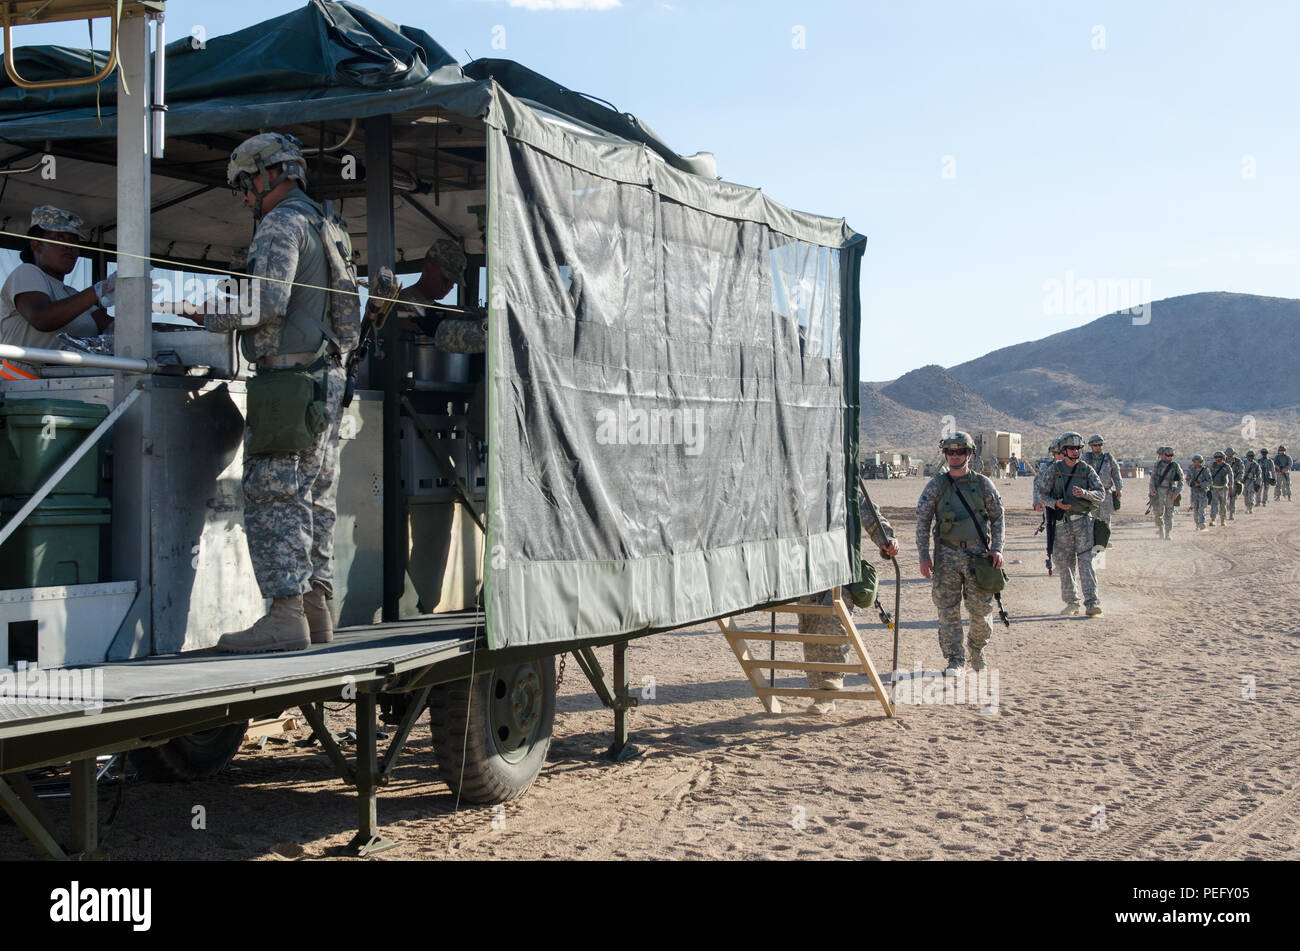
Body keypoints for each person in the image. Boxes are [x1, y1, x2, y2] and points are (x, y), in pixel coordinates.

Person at [194, 132, 349, 653]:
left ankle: (285, 616)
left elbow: (265, 304)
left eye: (244, 185)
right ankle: (315, 610)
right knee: (313, 496)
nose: (243, 198)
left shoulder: (280, 224)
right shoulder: (325, 225)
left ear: (269, 175)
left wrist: (199, 312)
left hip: (289, 384)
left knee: (273, 496)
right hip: (325, 380)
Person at [800, 488, 899, 715]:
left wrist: (887, 539)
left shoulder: (845, 484)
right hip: (806, 568)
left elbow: (870, 515)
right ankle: (820, 694)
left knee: (835, 614)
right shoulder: (799, 480)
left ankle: (832, 680)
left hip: (840, 568)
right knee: (810, 626)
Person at [915, 431, 1006, 675]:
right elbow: (922, 522)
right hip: (946, 556)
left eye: (960, 452)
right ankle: (955, 659)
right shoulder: (936, 485)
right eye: (950, 452)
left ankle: (976, 649)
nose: (955, 456)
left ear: (969, 454)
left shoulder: (983, 484)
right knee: (947, 610)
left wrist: (997, 548)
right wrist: (924, 556)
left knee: (980, 611)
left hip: (978, 556)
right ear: (945, 454)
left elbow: (998, 517)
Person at [0, 206, 115, 379]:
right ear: (36, 245)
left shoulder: (70, 294)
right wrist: (99, 289)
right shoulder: (27, 273)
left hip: (67, 389)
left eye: (74, 242)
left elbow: (110, 326)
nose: (69, 247)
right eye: (59, 238)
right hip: (23, 387)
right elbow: (42, 318)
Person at [1043, 432, 1105, 616]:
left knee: (1086, 562)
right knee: (1065, 565)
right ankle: (1072, 602)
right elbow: (1042, 494)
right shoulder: (1054, 470)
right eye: (1071, 448)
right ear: (1063, 450)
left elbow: (1100, 493)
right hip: (1062, 525)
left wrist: (1085, 494)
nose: (1075, 452)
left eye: (1078, 448)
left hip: (1083, 523)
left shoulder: (1086, 470)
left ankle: (1092, 602)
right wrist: (1055, 504)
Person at [1083, 434, 1124, 527]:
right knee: (1091, 519)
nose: (1098, 447)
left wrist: (1119, 488)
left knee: (1105, 519)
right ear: (1091, 446)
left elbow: (1116, 474)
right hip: (1091, 493)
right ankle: (1093, 541)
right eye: (1095, 445)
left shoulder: (1109, 458)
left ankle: (1105, 541)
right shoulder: (1086, 458)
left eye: (1100, 445)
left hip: (1106, 493)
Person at [1148, 446, 1183, 540]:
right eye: (1168, 455)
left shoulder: (1175, 466)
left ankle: (1168, 533)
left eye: (1171, 455)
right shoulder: (1158, 465)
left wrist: (1177, 492)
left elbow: (1181, 481)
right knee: (1158, 514)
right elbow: (1152, 479)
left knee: (1169, 514)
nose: (1170, 457)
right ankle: (1160, 529)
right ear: (1163, 455)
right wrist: (1152, 489)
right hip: (1159, 492)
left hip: (1170, 492)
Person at [1208, 451, 1234, 526]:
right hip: (1214, 488)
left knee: (1223, 504)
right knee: (1214, 504)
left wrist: (1230, 486)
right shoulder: (1212, 466)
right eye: (1216, 457)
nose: (1218, 459)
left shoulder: (1226, 466)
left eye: (1220, 457)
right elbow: (1207, 474)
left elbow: (1231, 476)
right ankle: (1213, 519)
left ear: (1223, 458)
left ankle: (1223, 520)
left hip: (1223, 488)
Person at [1186, 454, 1211, 531]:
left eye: (1198, 462)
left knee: (1202, 509)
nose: (1197, 463)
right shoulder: (1191, 470)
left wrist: (1200, 484)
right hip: (1194, 492)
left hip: (1203, 492)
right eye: (1195, 462)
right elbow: (1187, 479)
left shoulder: (1205, 470)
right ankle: (1197, 524)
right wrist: (1192, 483)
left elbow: (1209, 481)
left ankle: (1202, 523)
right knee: (1195, 509)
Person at [1224, 448, 1245, 521]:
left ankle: (1231, 514)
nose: (1230, 457)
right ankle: (1224, 514)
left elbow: (1242, 471)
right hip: (1224, 483)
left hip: (1234, 483)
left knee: (1233, 499)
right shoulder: (1223, 461)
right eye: (1228, 455)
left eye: (1231, 455)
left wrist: (1237, 479)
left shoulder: (1238, 461)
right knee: (1224, 500)